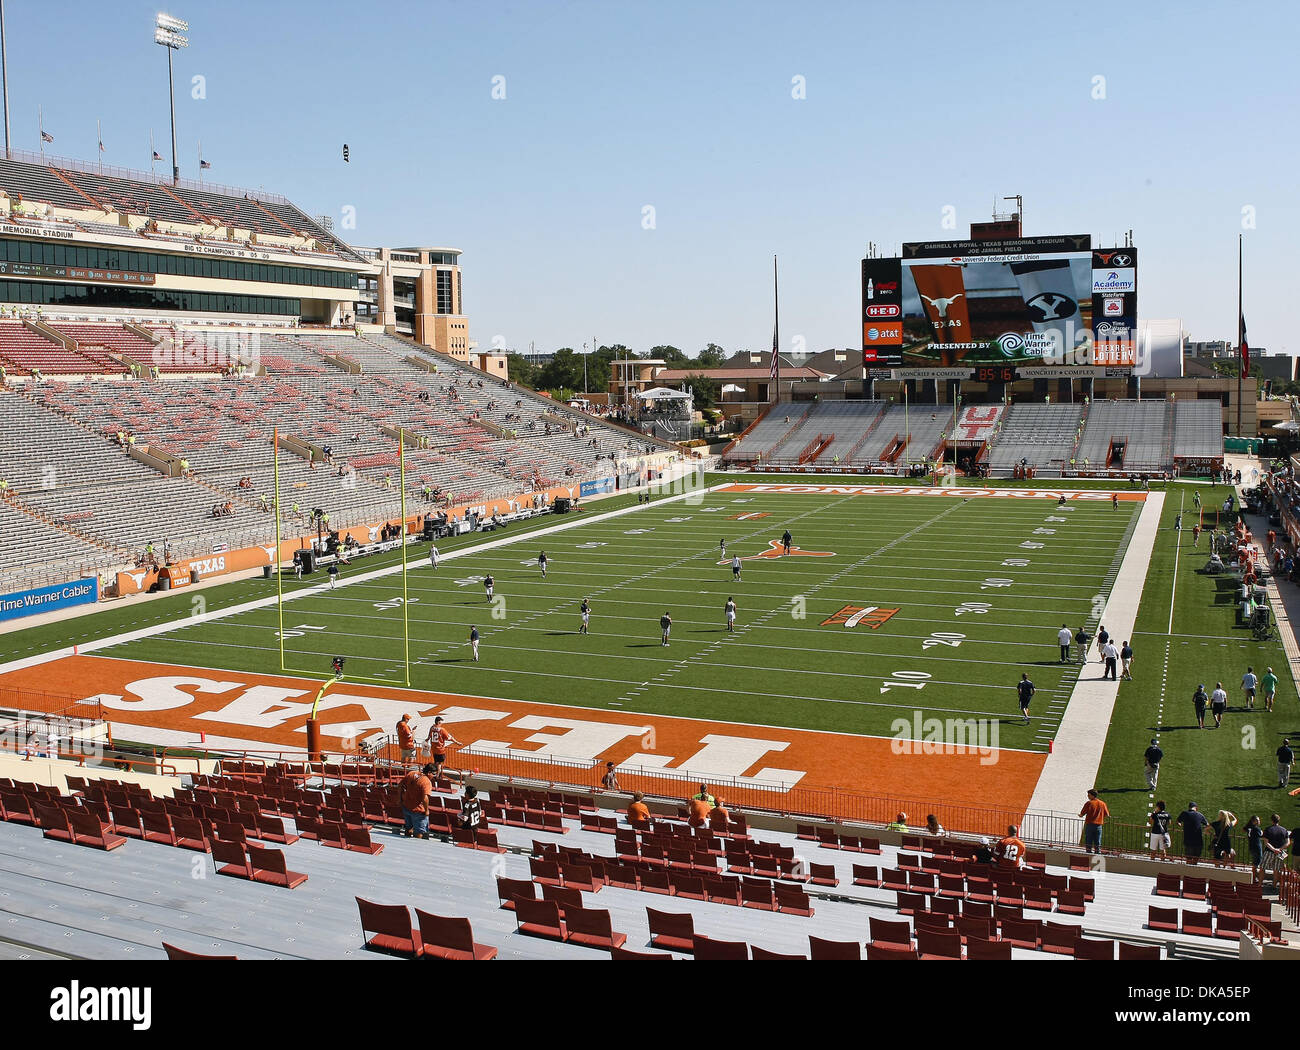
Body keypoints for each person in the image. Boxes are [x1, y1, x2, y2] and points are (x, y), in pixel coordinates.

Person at [399, 763, 436, 839]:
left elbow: (400, 785)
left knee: (408, 828)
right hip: (418, 811)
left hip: (406, 806)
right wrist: (426, 810)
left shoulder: (412, 773)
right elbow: (425, 798)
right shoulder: (426, 782)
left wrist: (400, 799)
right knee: (419, 832)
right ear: (429, 773)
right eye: (434, 774)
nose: (434, 776)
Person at [1261, 815, 1291, 884]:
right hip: (1279, 853)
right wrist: (1280, 849)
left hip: (1269, 852)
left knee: (1263, 868)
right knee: (1276, 870)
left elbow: (1266, 843)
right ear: (1279, 820)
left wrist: (1274, 849)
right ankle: (1274, 886)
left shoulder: (1268, 829)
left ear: (1272, 820)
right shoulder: (1284, 830)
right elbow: (1288, 842)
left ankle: (1259, 884)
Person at [1080, 789, 1109, 854]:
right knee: (1097, 840)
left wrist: (1080, 815)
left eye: (1089, 795)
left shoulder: (1089, 803)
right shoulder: (1102, 803)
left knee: (1088, 840)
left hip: (1090, 824)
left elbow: (1082, 813)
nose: (1088, 796)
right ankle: (1097, 852)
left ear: (1092, 795)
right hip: (1099, 825)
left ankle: (1088, 852)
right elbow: (1107, 814)